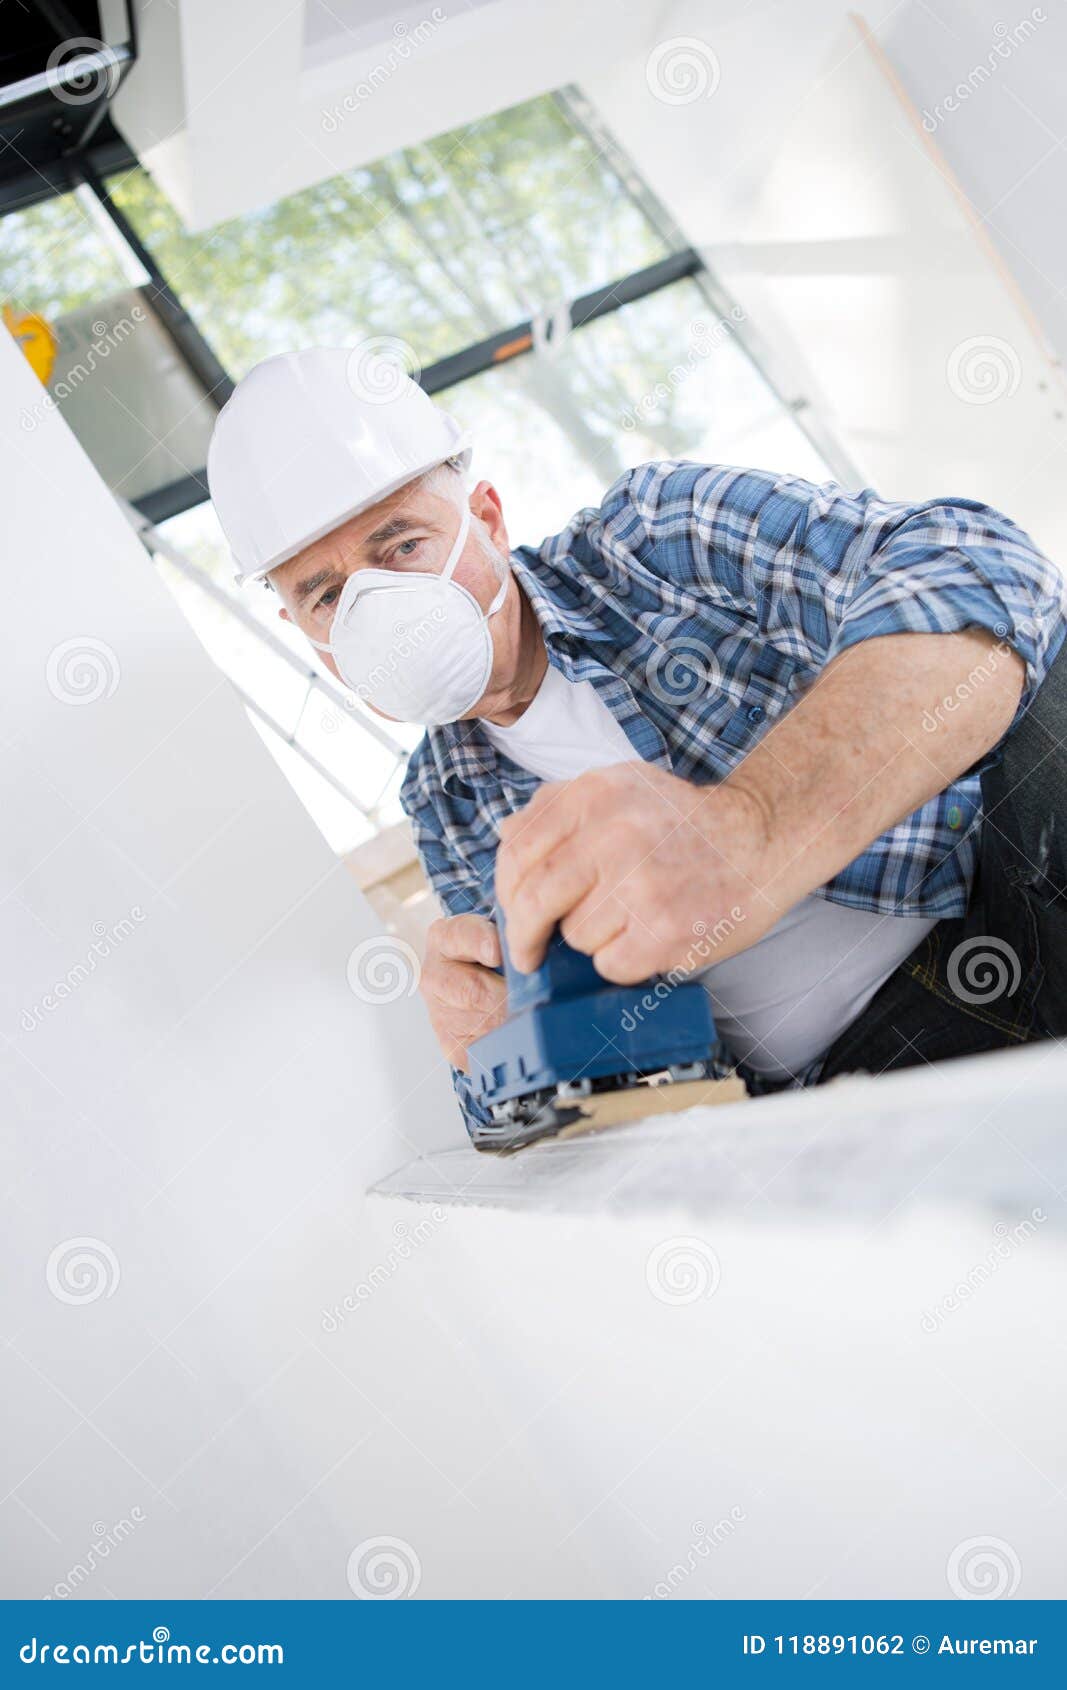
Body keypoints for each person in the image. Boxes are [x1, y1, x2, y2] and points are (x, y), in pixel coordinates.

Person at [208, 347, 1067, 1138]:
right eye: (327, 599)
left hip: (1005, 914)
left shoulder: (654, 541)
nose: (378, 613)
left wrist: (755, 830)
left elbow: (979, 563)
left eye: (402, 544)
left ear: (488, 519)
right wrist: (486, 1061)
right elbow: (568, 1104)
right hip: (841, 1096)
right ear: (299, 629)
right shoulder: (443, 800)